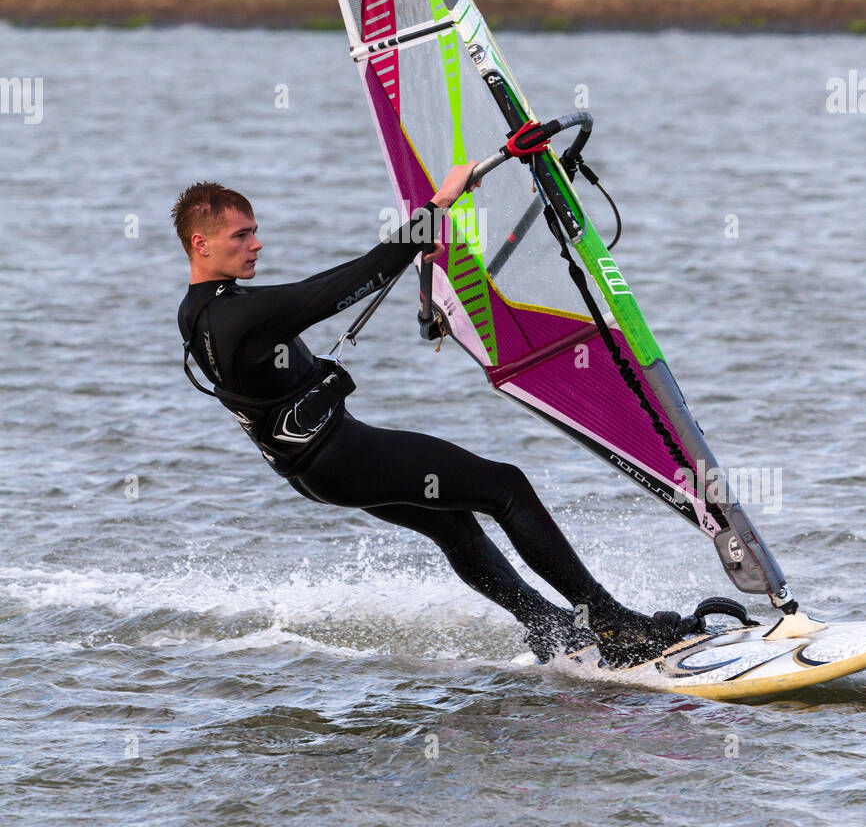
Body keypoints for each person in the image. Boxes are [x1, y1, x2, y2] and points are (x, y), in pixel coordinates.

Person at [174, 173, 702, 666]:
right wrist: (438, 204)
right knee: (506, 487)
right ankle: (610, 623)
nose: (256, 245)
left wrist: (409, 247)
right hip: (342, 455)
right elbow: (343, 284)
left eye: (255, 233)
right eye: (241, 236)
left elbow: (324, 292)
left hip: (316, 473)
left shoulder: (197, 312)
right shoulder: (237, 316)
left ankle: (549, 628)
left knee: (454, 524)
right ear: (201, 244)